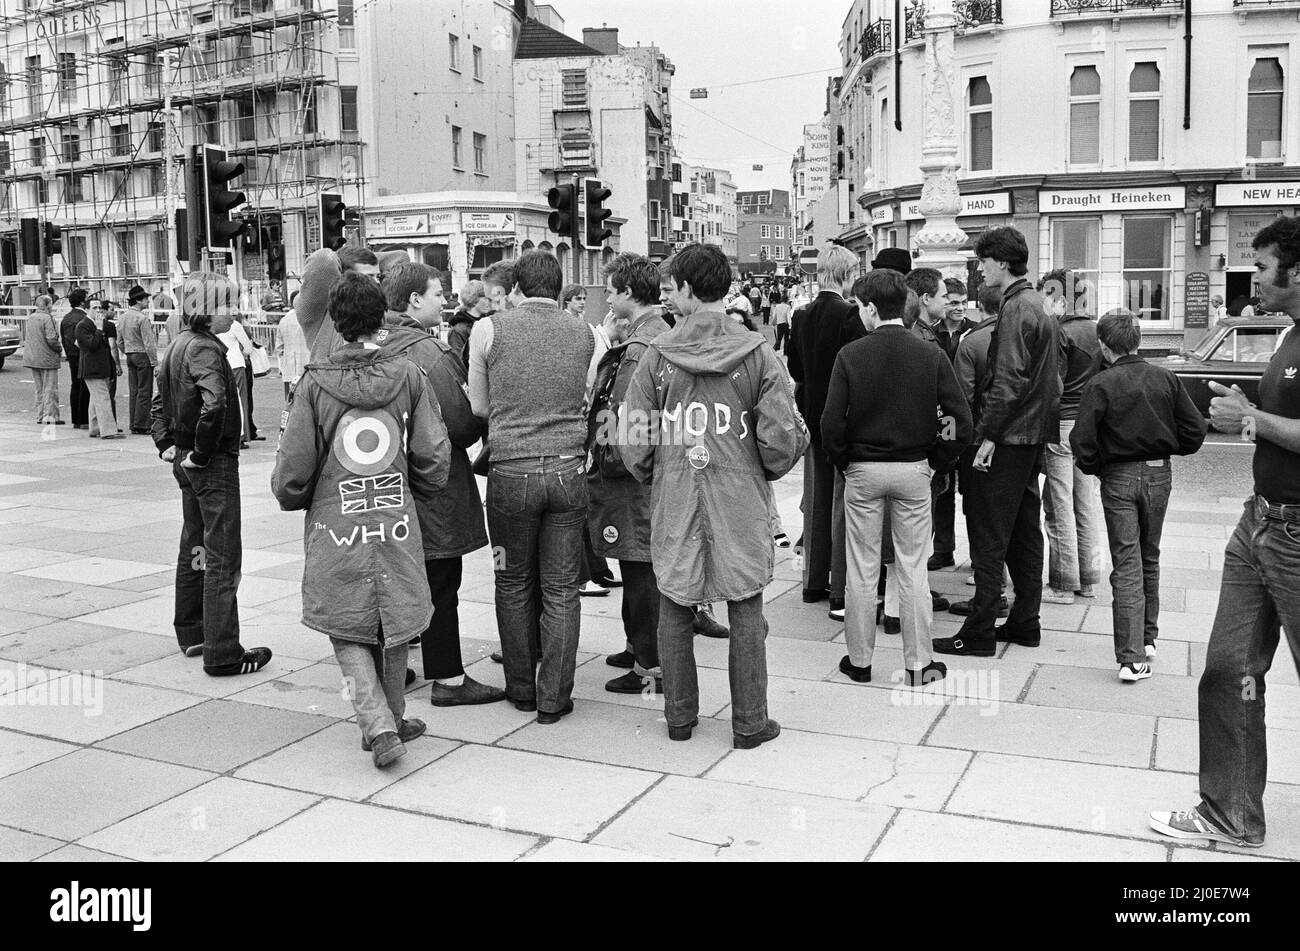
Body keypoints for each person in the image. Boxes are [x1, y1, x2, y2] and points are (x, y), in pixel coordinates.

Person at [1150, 217, 1300, 849]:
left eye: (1263, 267)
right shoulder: (1290, 334)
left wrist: (1253, 418)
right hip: (1258, 522)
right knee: (1228, 667)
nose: (1254, 278)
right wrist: (1249, 409)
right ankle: (1231, 812)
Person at [622, 243, 808, 749]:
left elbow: (633, 438)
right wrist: (765, 467)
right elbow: (780, 439)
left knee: (676, 599)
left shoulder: (657, 358)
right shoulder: (758, 352)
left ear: (685, 289)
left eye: (671, 287)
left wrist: (656, 474)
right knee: (746, 603)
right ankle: (750, 722)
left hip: (677, 493)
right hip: (739, 495)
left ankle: (679, 718)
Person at [272, 273, 449, 767]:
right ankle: (390, 718)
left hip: (337, 520)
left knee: (347, 625)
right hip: (394, 514)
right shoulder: (410, 375)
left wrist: (294, 497)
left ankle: (378, 724)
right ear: (382, 318)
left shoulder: (313, 382)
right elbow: (434, 455)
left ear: (335, 320)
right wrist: (421, 488)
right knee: (393, 616)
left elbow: (293, 468)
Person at [823, 268, 971, 687]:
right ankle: (919, 664)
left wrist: (846, 462)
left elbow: (831, 424)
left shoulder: (851, 355)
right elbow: (960, 420)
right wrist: (936, 460)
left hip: (863, 470)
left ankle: (859, 661)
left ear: (870, 309)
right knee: (912, 570)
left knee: (862, 569)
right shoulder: (930, 354)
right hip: (913, 470)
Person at [468, 249, 599, 724]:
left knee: (512, 579)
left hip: (510, 475)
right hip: (568, 472)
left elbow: (480, 408)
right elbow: (584, 395)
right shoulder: (587, 333)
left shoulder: (488, 330)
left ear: (518, 287)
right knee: (563, 588)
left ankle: (521, 687)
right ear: (560, 286)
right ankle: (554, 697)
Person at [377, 263, 506, 707]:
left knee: (392, 578)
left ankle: (386, 672)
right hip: (431, 484)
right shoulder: (428, 354)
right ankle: (449, 678)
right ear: (414, 299)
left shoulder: (369, 345)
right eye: (437, 294)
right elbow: (462, 424)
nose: (444, 301)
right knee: (440, 579)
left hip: (381, 484)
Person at [935, 226, 1062, 658]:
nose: (979, 269)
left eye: (983, 261)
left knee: (988, 533)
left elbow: (1007, 379)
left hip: (1008, 437)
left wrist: (988, 435)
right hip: (1032, 437)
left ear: (1002, 263)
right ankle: (1025, 621)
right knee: (1025, 531)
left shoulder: (1014, 307)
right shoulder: (1039, 304)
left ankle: (979, 631)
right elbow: (1050, 378)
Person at [1070, 309, 1205, 682]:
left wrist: (1099, 466)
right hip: (1160, 471)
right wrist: (1169, 448)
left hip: (1118, 475)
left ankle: (1131, 658)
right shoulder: (1166, 377)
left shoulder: (1101, 384)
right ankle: (1147, 639)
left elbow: (1081, 441)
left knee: (1126, 561)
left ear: (1102, 344)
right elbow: (1194, 430)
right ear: (1139, 340)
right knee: (1150, 555)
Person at [151, 271, 272, 677]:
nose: (234, 311)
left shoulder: (178, 344)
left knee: (195, 546)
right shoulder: (205, 347)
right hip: (211, 463)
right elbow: (215, 403)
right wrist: (202, 453)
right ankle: (222, 652)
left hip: (186, 459)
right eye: (226, 304)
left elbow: (158, 403)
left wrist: (168, 444)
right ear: (202, 308)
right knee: (222, 554)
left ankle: (193, 632)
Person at [586, 253, 672, 694]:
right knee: (638, 568)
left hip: (635, 481)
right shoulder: (657, 333)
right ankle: (637, 646)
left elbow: (625, 418)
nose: (607, 297)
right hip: (653, 475)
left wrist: (607, 462)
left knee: (639, 569)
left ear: (629, 293)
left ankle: (648, 665)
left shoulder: (640, 349)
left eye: (612, 289)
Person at [786, 245, 860, 620]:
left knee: (815, 500)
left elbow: (796, 370)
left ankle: (813, 580)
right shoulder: (850, 315)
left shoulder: (801, 315)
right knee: (840, 505)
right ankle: (838, 586)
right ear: (847, 275)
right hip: (841, 419)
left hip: (812, 415)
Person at [1037, 269, 1104, 606]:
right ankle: (1088, 581)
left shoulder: (1059, 333)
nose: (1044, 305)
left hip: (1061, 423)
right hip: (1088, 425)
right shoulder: (1098, 331)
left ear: (1062, 299)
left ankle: (1063, 583)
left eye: (1047, 298)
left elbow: (1053, 384)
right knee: (1085, 504)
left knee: (1057, 505)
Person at [949, 286, 1011, 617]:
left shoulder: (972, 342)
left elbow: (961, 399)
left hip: (978, 442)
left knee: (979, 515)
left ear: (979, 305)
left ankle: (990, 591)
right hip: (1016, 441)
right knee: (1012, 516)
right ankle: (1008, 586)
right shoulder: (1022, 336)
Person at [76, 300, 122, 440]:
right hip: (92, 369)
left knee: (96, 400)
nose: (98, 310)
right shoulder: (83, 326)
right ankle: (108, 431)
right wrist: (99, 329)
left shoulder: (99, 325)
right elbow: (92, 345)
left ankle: (95, 428)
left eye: (100, 308)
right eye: (94, 308)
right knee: (103, 399)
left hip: (102, 368)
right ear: (87, 309)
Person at [119, 285, 159, 435]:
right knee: (145, 390)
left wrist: (127, 351)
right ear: (138, 301)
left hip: (130, 355)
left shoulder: (122, 317)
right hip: (143, 355)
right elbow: (149, 343)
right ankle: (143, 424)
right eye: (145, 299)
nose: (148, 301)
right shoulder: (142, 318)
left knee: (134, 390)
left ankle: (134, 423)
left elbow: (119, 342)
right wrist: (155, 362)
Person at [217, 310, 256, 447]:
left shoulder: (213, 324)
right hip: (236, 364)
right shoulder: (234, 325)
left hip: (221, 365)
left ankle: (226, 434)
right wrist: (243, 354)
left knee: (225, 401)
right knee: (241, 400)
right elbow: (248, 347)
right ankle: (241, 435)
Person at [23, 295, 62, 425]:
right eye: (51, 304)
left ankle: (40, 415)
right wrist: (59, 349)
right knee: (50, 388)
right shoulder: (48, 318)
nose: (52, 306)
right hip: (47, 358)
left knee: (39, 389)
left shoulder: (31, 318)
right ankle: (50, 416)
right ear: (47, 305)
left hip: (33, 358)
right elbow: (52, 339)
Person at [60, 287, 90, 429]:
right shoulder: (84, 319)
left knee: (75, 385)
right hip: (83, 356)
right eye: (87, 298)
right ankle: (84, 419)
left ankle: (76, 419)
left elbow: (64, 339)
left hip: (71, 356)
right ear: (83, 302)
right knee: (85, 387)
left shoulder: (66, 318)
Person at [446, 280, 492, 369]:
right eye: (485, 298)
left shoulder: (487, 323)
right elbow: (458, 364)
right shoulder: (457, 330)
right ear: (473, 300)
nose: (488, 302)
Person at [275, 291, 310, 401]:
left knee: (290, 399)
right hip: (307, 365)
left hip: (289, 366)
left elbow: (279, 346)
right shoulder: (309, 320)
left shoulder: (284, 321)